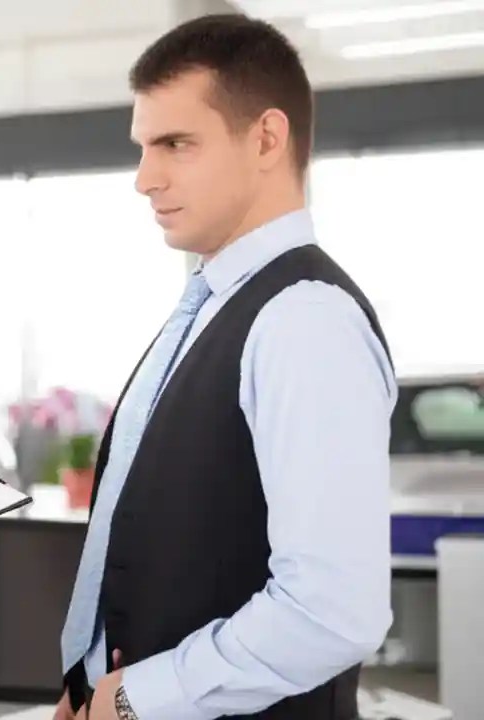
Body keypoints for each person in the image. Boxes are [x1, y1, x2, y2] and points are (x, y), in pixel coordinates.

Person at [54, 14, 396, 720]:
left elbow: (333, 610)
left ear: (267, 138)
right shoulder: (214, 304)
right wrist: (87, 685)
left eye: (176, 143)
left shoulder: (304, 319)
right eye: (142, 147)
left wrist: (137, 699)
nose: (145, 179)